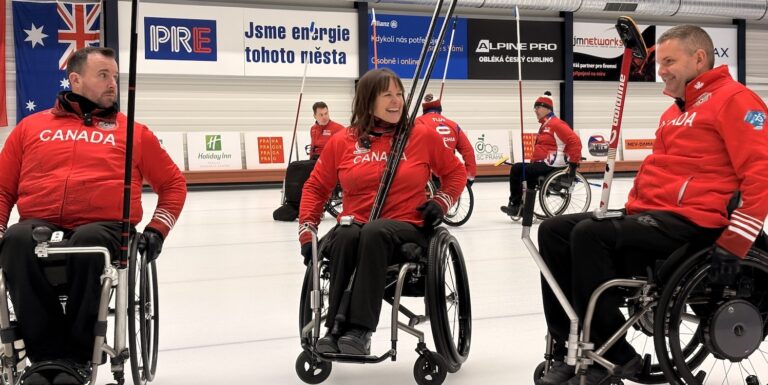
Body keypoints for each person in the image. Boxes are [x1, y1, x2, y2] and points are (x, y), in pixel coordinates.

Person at [534, 25, 768, 385]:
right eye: (661, 62)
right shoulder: (672, 114)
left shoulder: (735, 100)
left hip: (697, 221)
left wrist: (736, 241)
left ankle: (611, 355)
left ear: (699, 58)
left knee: (588, 235)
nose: (662, 69)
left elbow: (761, 172)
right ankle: (571, 345)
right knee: (552, 231)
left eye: (671, 61)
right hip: (654, 217)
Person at [0, 47, 187, 385]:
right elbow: (2, 189)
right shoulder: (31, 128)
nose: (112, 83)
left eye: (115, 76)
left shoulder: (132, 132)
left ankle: (76, 356)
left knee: (89, 244)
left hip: (104, 225)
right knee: (14, 240)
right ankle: (46, 358)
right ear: (75, 79)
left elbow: (173, 184)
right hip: (40, 222)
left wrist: (157, 230)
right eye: (103, 75)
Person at [298, 68, 466, 355]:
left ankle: (360, 331)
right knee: (349, 234)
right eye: (387, 94)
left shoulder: (419, 136)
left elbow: (455, 173)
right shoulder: (343, 141)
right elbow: (315, 187)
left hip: (407, 228)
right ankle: (334, 330)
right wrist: (307, 231)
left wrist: (441, 202)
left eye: (399, 94)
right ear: (367, 100)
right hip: (357, 225)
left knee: (374, 231)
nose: (396, 101)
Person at [500, 91, 582, 217]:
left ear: (547, 108)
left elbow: (575, 141)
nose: (535, 110)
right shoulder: (545, 125)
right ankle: (518, 205)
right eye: (535, 107)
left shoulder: (556, 124)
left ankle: (522, 207)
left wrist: (573, 164)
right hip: (542, 163)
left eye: (538, 107)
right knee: (517, 168)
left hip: (553, 164)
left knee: (528, 170)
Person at [415, 93, 477, 186]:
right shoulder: (453, 125)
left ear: (424, 110)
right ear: (440, 108)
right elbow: (468, 150)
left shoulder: (417, 122)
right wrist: (470, 175)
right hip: (449, 172)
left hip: (427, 175)